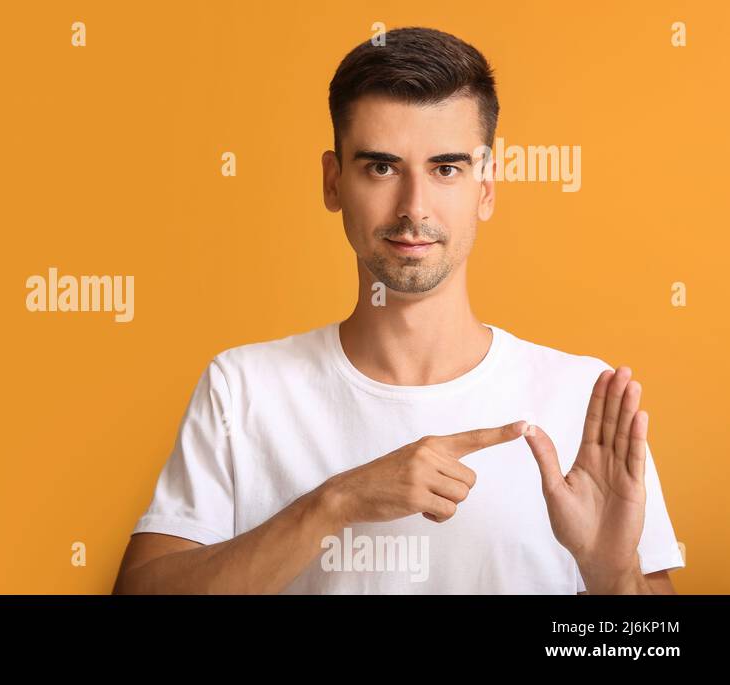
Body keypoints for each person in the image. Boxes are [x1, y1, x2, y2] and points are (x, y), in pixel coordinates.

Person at [112, 26, 684, 594]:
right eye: (382, 167)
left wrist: (612, 578)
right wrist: (334, 504)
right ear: (334, 183)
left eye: (446, 169)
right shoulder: (241, 388)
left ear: (486, 187)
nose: (413, 208)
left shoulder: (584, 401)